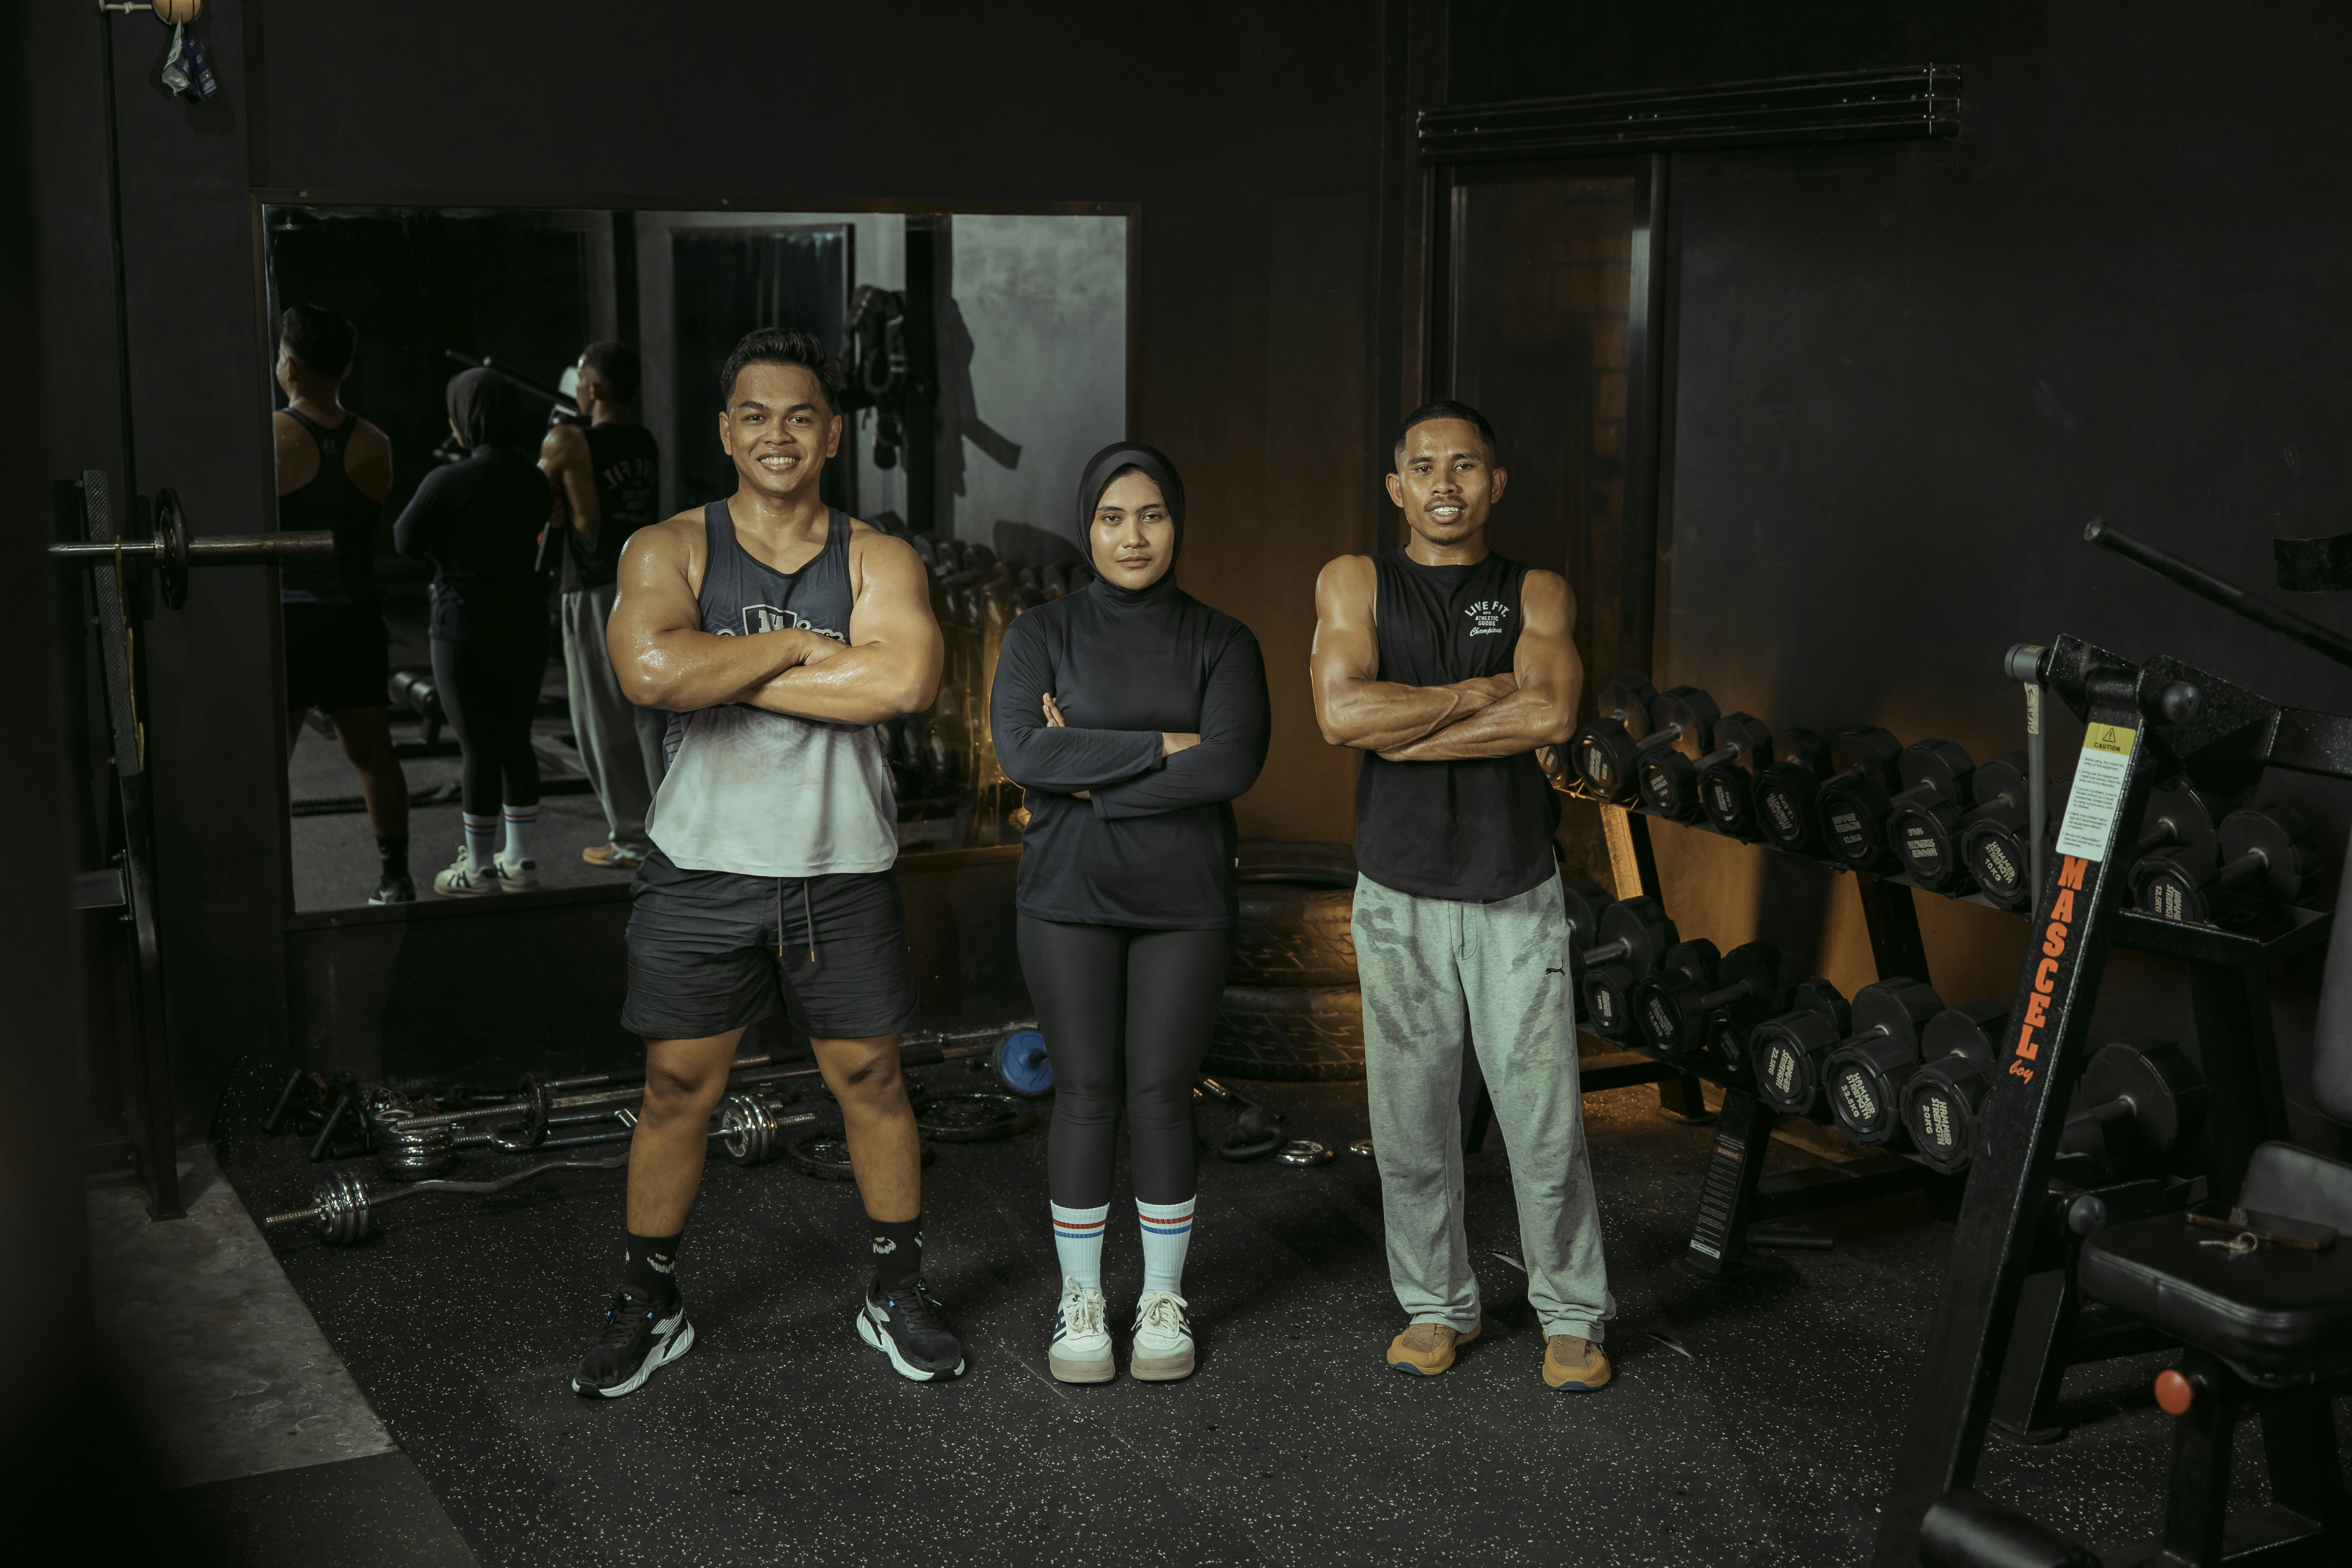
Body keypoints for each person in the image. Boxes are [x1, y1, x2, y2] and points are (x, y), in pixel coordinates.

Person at [577, 327, 953, 1397]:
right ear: (725, 431)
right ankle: (651, 1303)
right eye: (755, 415)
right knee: (675, 1087)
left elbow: (900, 687)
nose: (776, 435)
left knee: (872, 1080)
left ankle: (895, 1290)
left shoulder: (878, 556)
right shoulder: (668, 547)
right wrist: (797, 645)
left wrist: (718, 666)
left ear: (831, 433)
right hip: (702, 867)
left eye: (799, 415)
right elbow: (648, 671)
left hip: (840, 868)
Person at [1309, 398, 1615, 1392]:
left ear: (1496, 483)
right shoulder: (1355, 579)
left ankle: (1572, 1310)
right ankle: (1436, 1304)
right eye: (1425, 466)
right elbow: (1338, 711)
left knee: (1543, 1118)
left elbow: (1554, 711)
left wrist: (1402, 725)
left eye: (1467, 466)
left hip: (1511, 886)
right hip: (1396, 891)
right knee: (1409, 1120)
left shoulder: (1538, 591)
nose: (1446, 482)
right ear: (1396, 486)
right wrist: (1481, 693)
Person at [991, 443, 1269, 1385]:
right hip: (1067, 898)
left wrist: (1095, 782)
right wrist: (1163, 744)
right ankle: (1079, 1303)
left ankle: (1160, 1296)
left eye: (1151, 514)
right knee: (1086, 1092)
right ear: (1088, 526)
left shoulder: (1224, 640)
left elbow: (1230, 763)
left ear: (1177, 523)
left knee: (1159, 1094)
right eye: (1113, 517)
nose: (1134, 534)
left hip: (1184, 901)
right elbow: (1025, 752)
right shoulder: (1040, 633)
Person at [392, 368, 556, 896]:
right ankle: (522, 861)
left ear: (466, 419)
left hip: (463, 628)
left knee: (478, 746)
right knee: (516, 740)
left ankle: (480, 867)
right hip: (526, 625)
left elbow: (404, 541)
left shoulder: (447, 481)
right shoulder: (535, 478)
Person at [273, 305, 410, 904]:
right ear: (347, 366)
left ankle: (262, 883)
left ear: (290, 368)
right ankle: (396, 878)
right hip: (355, 617)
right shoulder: (375, 441)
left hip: (292, 617)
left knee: (269, 758)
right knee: (374, 753)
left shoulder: (272, 437)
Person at [541, 342, 666, 871]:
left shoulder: (567, 440)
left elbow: (543, 507)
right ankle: (672, 836)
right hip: (648, 583)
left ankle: (635, 839)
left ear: (592, 388)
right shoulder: (645, 441)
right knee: (649, 715)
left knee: (600, 719)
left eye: (582, 379)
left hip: (594, 588)